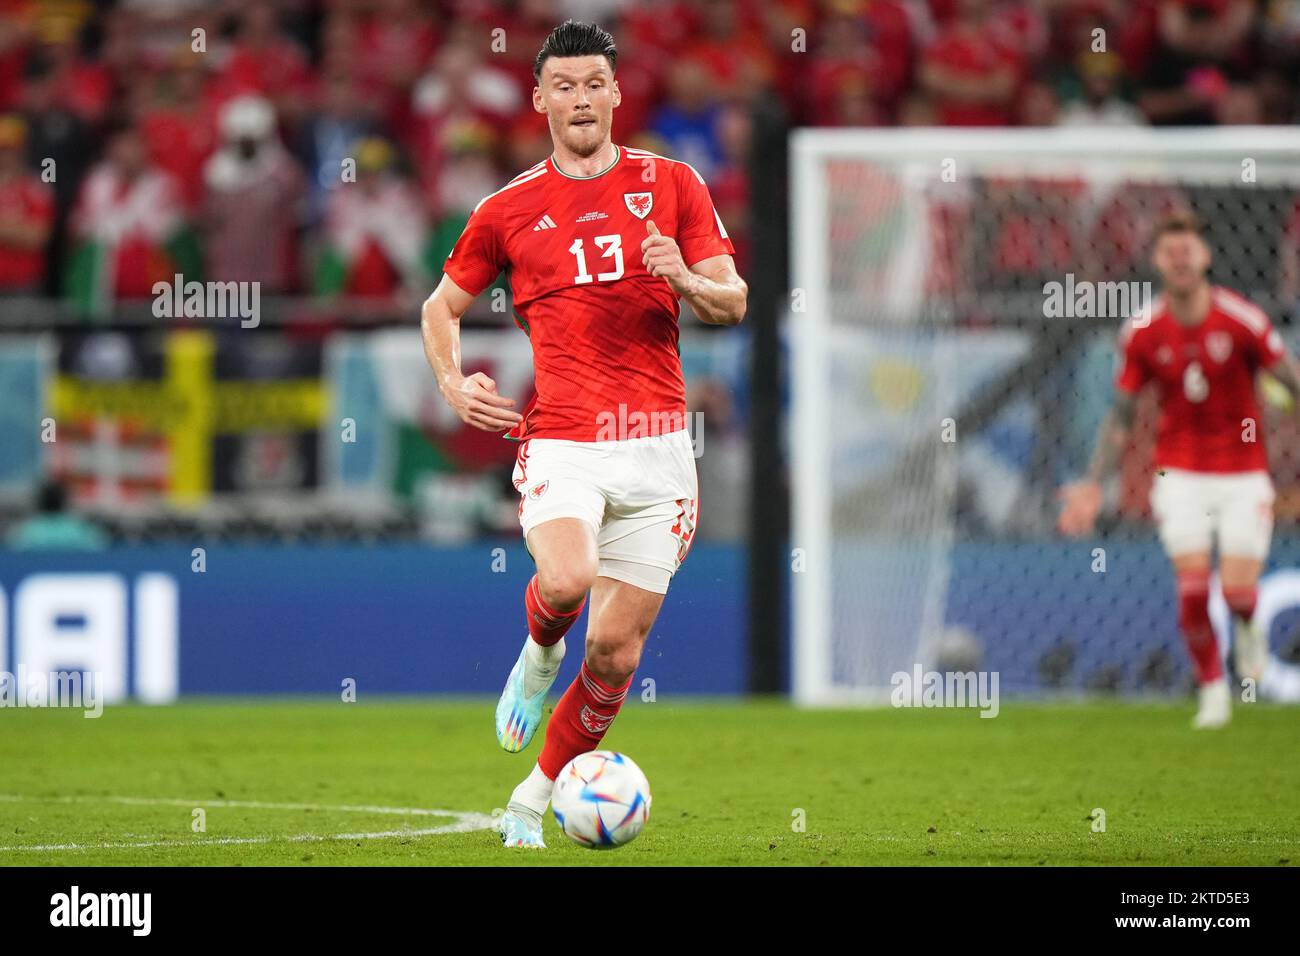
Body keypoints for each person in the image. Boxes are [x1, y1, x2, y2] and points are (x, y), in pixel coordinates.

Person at [420, 20, 746, 848]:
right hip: (564, 440)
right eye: (562, 85)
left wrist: (684, 280)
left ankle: (529, 803)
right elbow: (440, 308)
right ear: (539, 100)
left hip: (661, 448)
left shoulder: (673, 184)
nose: (579, 99)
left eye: (593, 83)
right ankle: (535, 660)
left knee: (612, 653)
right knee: (567, 583)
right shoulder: (507, 208)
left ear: (615, 93)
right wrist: (454, 384)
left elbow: (733, 298)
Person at [1058, 213, 1300, 728]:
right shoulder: (1144, 332)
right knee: (1192, 590)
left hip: (1242, 473)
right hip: (1178, 474)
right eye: (1171, 252)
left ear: (1206, 257)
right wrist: (1091, 486)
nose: (1181, 259)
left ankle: (1248, 629)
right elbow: (1121, 418)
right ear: (1158, 262)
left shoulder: (1243, 322)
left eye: (1188, 250)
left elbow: (1292, 384)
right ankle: (1214, 690)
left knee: (1236, 594)